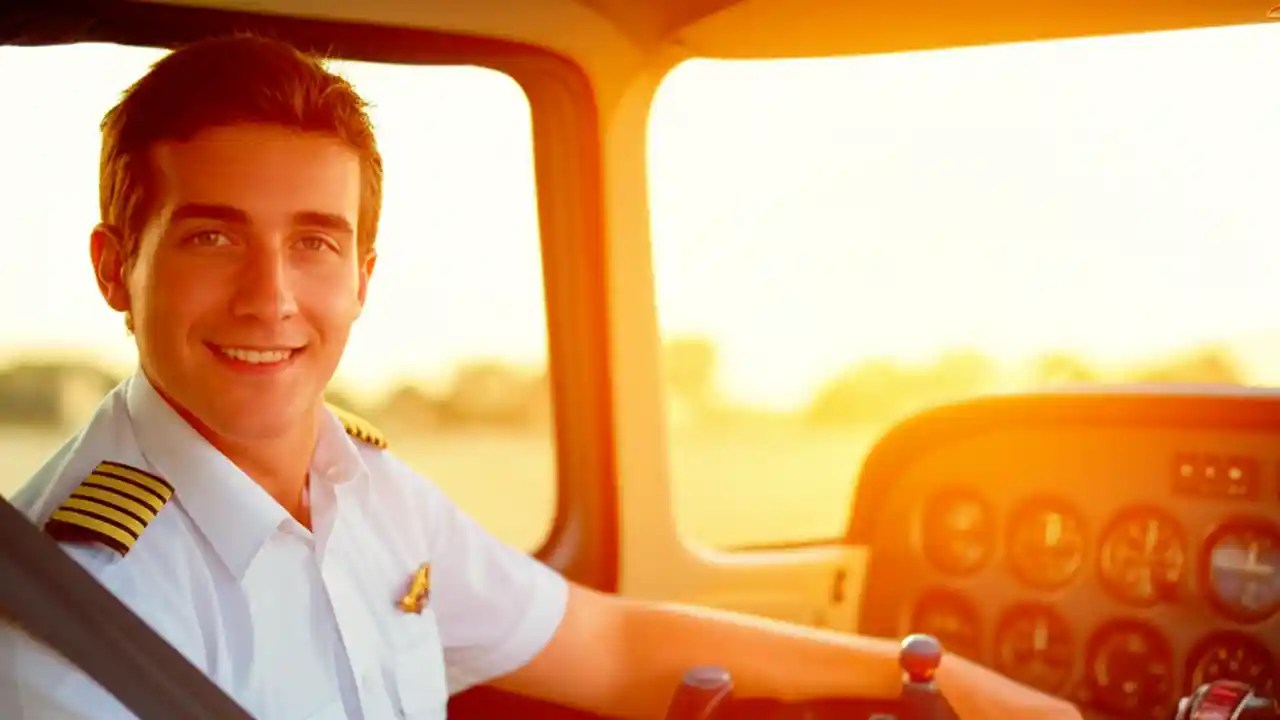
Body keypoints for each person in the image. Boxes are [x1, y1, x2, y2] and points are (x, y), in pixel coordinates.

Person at [0, 34, 1081, 720]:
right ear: (114, 268)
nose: (270, 297)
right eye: (213, 238)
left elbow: (608, 646)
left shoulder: (365, 489)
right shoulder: (73, 603)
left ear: (363, 276)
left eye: (315, 243)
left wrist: (947, 681)